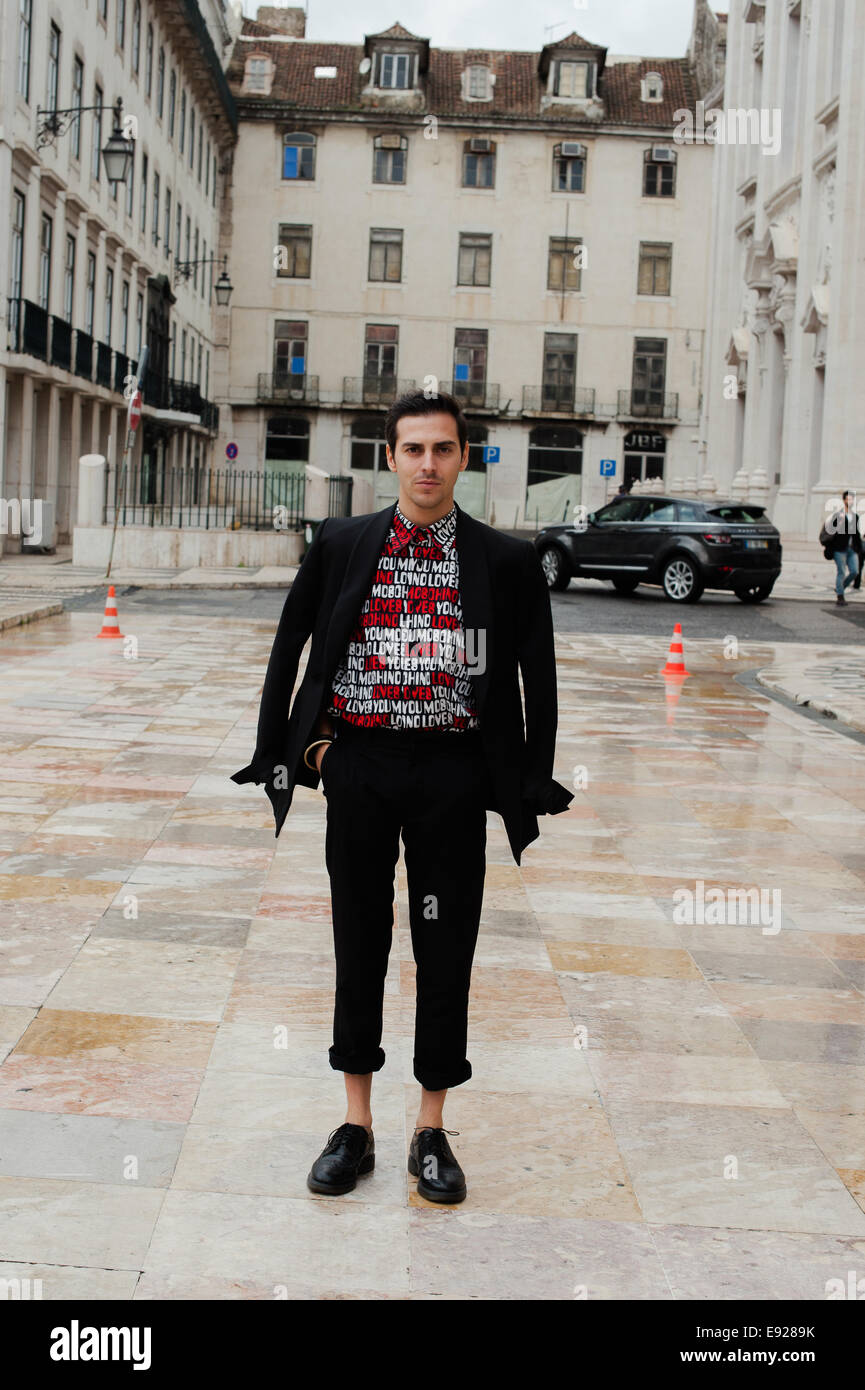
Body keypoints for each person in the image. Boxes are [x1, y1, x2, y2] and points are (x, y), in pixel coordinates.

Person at [231, 389, 573, 1204]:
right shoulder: (345, 543)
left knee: (444, 947)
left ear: (463, 459)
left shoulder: (503, 560)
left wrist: (527, 774)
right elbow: (293, 644)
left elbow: (538, 676)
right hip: (359, 766)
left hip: (452, 773)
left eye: (443, 450)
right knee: (359, 938)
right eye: (413, 449)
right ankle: (355, 1126)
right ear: (389, 458)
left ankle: (430, 1127)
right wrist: (295, 750)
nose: (427, 464)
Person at [822, 490, 862, 604]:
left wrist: (858, 548)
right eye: (848, 499)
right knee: (841, 572)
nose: (850, 501)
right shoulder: (837, 516)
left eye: (852, 499)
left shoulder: (855, 517)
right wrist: (831, 547)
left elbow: (857, 534)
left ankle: (840, 588)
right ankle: (840, 597)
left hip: (852, 549)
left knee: (855, 571)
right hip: (839, 549)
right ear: (844, 500)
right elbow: (830, 532)